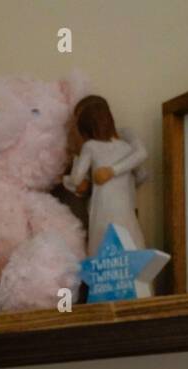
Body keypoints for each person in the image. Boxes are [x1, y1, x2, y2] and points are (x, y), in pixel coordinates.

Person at [61, 94, 150, 256]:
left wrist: (69, 174)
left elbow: (76, 180)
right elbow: (142, 174)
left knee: (101, 252)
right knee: (132, 250)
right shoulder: (126, 147)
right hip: (126, 209)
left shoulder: (91, 146)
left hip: (102, 212)